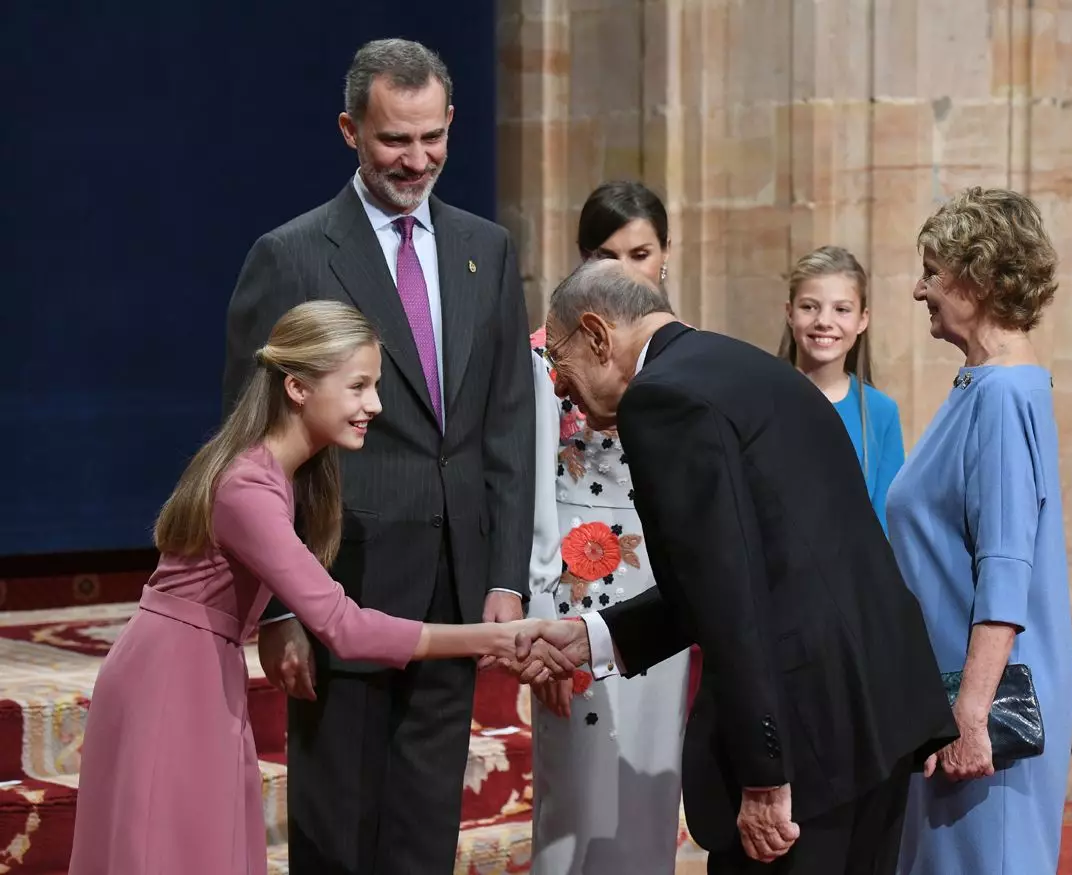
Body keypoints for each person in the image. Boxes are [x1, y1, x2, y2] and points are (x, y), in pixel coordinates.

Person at [68, 302, 560, 875]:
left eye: (373, 386)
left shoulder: (286, 473)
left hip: (198, 666)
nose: (373, 405)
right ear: (298, 388)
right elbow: (344, 628)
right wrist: (496, 640)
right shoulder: (247, 487)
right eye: (358, 387)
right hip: (171, 678)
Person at [514, 260, 957, 874]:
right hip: (878, 708)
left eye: (558, 362)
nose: (560, 386)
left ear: (596, 334)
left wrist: (763, 776)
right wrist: (592, 635)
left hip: (806, 738)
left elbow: (730, 598)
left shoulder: (660, 399)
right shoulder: (744, 366)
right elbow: (740, 567)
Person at [220, 39, 535, 874]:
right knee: (341, 821)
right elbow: (250, 441)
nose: (417, 158)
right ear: (349, 129)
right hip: (339, 575)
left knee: (427, 818)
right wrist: (279, 608)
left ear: (452, 123)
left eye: (432, 136)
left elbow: (507, 423)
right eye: (396, 139)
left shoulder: (488, 248)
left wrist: (505, 574)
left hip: (458, 574)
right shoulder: (291, 256)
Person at [885, 187, 1072, 875]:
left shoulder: (1001, 395)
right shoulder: (983, 383)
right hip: (946, 690)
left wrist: (971, 712)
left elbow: (1004, 568)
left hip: (981, 702)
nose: (919, 289)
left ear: (978, 276)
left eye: (932, 271)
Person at [526, 181, 688, 874]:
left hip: (664, 579)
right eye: (606, 253)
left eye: (641, 252)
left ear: (666, 256)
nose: (625, 269)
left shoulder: (682, 351)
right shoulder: (544, 355)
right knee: (578, 801)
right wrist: (538, 622)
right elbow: (530, 491)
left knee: (648, 789)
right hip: (573, 579)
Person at [778, 245, 904, 532]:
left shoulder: (881, 412)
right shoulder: (757, 397)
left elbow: (884, 523)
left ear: (863, 319)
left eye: (842, 310)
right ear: (789, 313)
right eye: (809, 307)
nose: (824, 321)